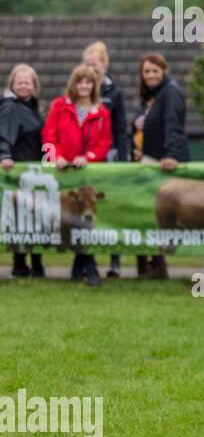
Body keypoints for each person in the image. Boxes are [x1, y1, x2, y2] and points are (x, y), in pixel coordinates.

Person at [42, 65, 113, 286]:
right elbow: (48, 135)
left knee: (87, 220)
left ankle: (86, 262)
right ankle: (80, 263)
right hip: (64, 175)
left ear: (94, 86)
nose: (84, 86)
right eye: (80, 82)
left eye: (88, 82)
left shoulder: (101, 112)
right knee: (68, 218)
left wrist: (89, 157)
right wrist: (57, 157)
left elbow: (105, 143)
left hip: (89, 175)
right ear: (73, 84)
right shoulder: (59, 107)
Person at [80, 41, 131, 276]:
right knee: (84, 208)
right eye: (87, 64)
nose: (91, 69)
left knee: (109, 209)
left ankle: (115, 260)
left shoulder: (114, 93)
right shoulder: (77, 89)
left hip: (108, 156)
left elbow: (121, 129)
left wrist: (123, 157)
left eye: (95, 64)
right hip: (83, 159)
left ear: (104, 64)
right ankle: (85, 258)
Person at [135, 53, 188, 279]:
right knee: (149, 213)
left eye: (155, 71)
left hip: (165, 162)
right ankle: (154, 263)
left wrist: (172, 155)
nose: (150, 75)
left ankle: (159, 263)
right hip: (150, 159)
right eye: (147, 71)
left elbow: (172, 124)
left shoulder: (171, 92)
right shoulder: (152, 96)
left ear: (164, 71)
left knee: (163, 214)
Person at [0, 64, 46, 277]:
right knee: (21, 219)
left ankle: (36, 262)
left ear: (34, 85)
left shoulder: (35, 108)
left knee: (37, 219)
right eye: (19, 82)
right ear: (12, 85)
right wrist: (4, 155)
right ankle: (20, 263)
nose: (24, 86)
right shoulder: (9, 107)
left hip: (36, 169)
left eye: (27, 82)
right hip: (19, 171)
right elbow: (4, 133)